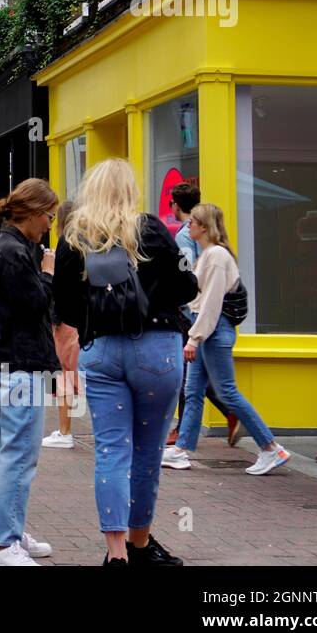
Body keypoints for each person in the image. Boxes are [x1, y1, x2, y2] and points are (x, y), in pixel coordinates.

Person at [54, 158, 198, 566]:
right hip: (157, 348)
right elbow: (187, 286)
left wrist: (92, 316)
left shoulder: (74, 237)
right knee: (148, 451)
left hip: (100, 352)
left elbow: (62, 304)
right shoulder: (151, 229)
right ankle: (141, 544)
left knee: (111, 451)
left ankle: (116, 555)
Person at [0, 178, 60, 566]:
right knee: (18, 454)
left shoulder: (5, 247)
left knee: (7, 450)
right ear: (35, 213)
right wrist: (49, 272)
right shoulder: (13, 252)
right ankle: (5, 544)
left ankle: (9, 531)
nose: (50, 225)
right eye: (49, 217)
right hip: (19, 365)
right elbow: (34, 303)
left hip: (7, 364)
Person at [162, 204, 291, 475]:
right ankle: (181, 450)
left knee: (227, 391)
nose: (189, 226)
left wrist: (194, 338)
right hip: (210, 328)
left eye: (194, 222)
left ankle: (270, 447)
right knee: (194, 392)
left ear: (205, 227)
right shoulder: (210, 254)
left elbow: (211, 302)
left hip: (214, 330)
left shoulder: (217, 255)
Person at [166, 182, 238, 449]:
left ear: (175, 205)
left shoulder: (185, 236)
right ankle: (188, 434)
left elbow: (189, 276)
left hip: (193, 313)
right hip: (202, 313)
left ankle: (241, 420)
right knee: (195, 379)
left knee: (192, 375)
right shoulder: (201, 239)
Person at [43, 201, 80, 449]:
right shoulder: (88, 246)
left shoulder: (67, 246)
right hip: (83, 322)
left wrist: (48, 269)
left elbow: (59, 288)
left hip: (66, 321)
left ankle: (65, 431)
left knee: (64, 376)